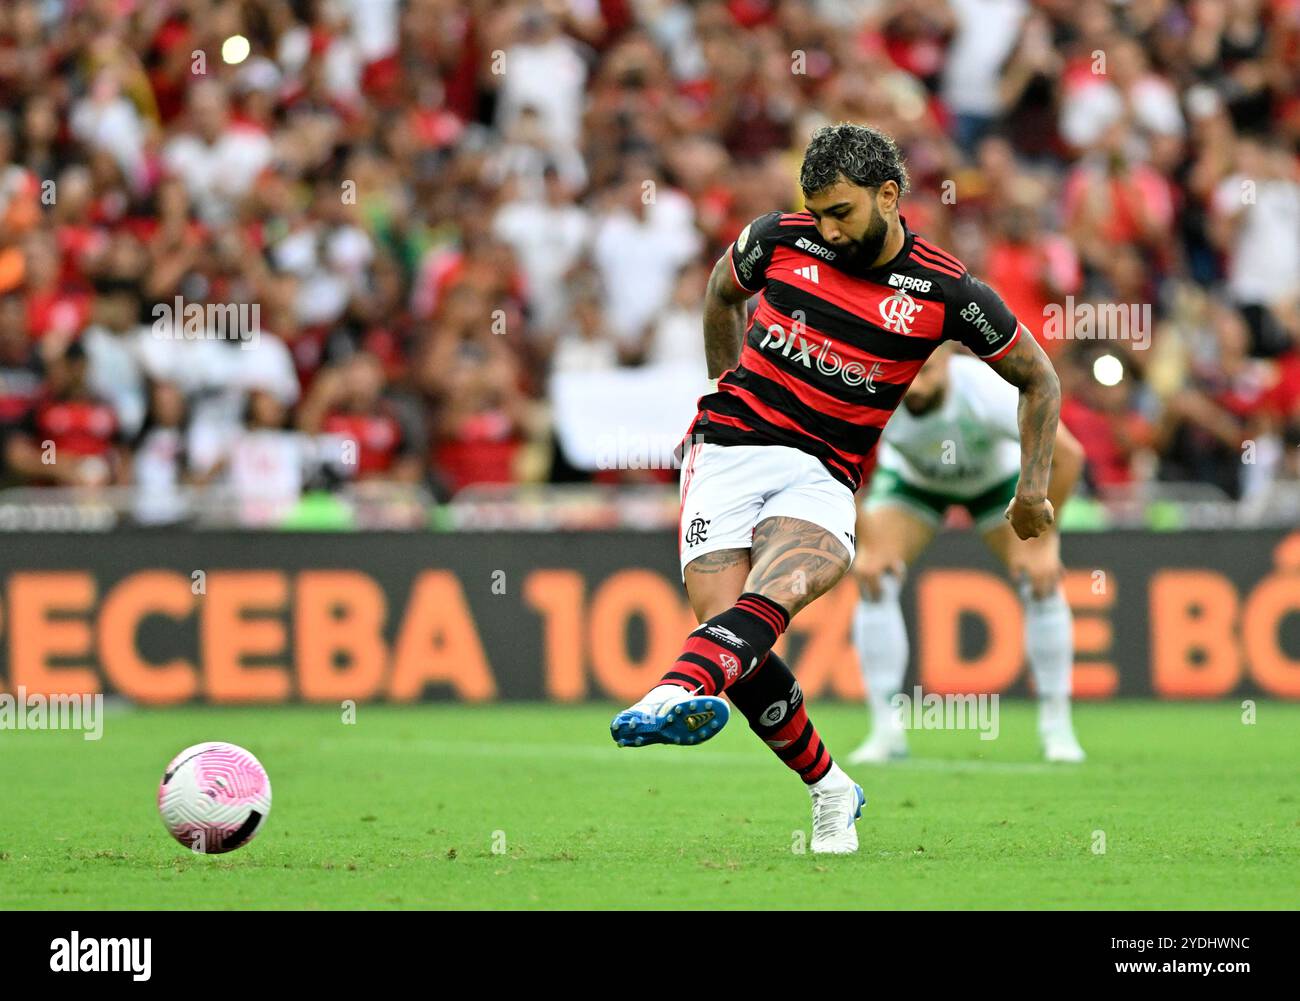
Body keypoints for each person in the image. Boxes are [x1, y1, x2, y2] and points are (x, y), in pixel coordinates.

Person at [609, 123, 1063, 854]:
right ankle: (831, 789)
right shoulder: (778, 239)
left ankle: (674, 687)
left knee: (781, 590)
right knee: (732, 640)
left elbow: (1038, 377)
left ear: (889, 195)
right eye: (816, 211)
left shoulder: (945, 289)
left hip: (823, 471)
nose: (825, 227)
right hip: (725, 450)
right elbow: (721, 291)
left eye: (841, 212)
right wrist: (724, 385)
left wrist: (1033, 488)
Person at [849, 341, 1087, 764]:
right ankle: (886, 731)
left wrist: (1047, 542)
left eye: (928, 372)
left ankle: (1058, 726)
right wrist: (867, 543)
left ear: (951, 363)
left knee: (1041, 580)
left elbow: (1068, 454)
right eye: (908, 375)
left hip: (995, 482)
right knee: (874, 577)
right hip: (915, 482)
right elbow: (834, 460)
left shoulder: (985, 389)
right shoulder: (869, 389)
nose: (915, 387)